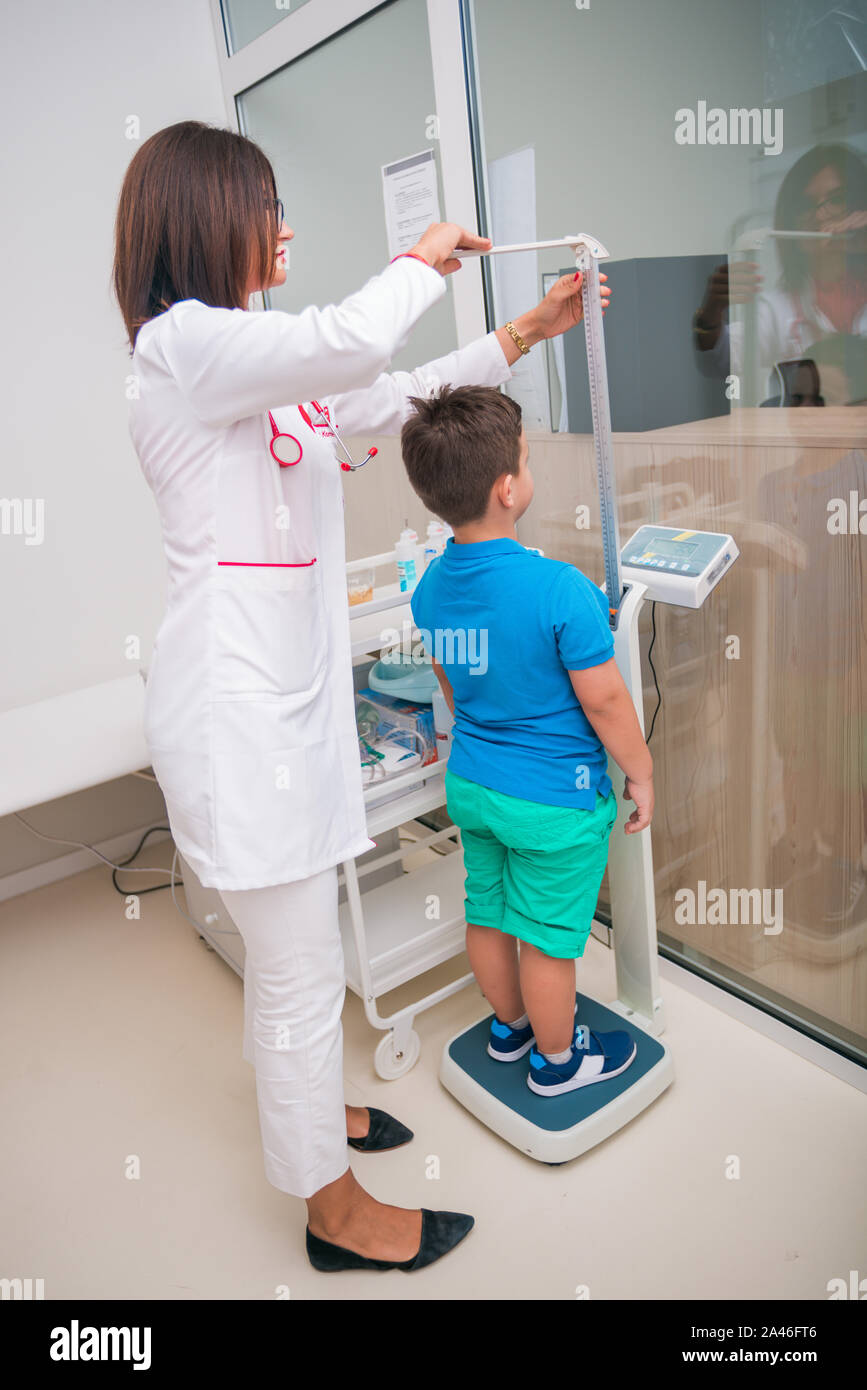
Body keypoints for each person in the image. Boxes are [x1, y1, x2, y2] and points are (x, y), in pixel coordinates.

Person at [112, 119, 602, 1274]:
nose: (284, 229)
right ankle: (333, 1215)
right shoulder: (182, 347)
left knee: (295, 954)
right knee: (296, 972)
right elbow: (349, 343)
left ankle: (314, 1114)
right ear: (207, 217)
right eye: (267, 208)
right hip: (236, 723)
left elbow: (396, 391)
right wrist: (420, 265)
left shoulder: (262, 360)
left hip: (282, 713)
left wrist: (525, 328)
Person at [402, 384, 653, 1088]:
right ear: (508, 488)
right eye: (526, 458)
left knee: (487, 912)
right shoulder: (560, 589)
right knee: (546, 938)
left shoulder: (429, 588)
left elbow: (452, 684)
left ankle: (510, 1031)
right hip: (551, 801)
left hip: (473, 785)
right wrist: (640, 771)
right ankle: (556, 1061)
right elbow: (604, 701)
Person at [693, 143, 867, 402]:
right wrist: (710, 313)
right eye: (807, 206)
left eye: (837, 199)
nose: (821, 217)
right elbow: (720, 362)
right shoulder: (778, 309)